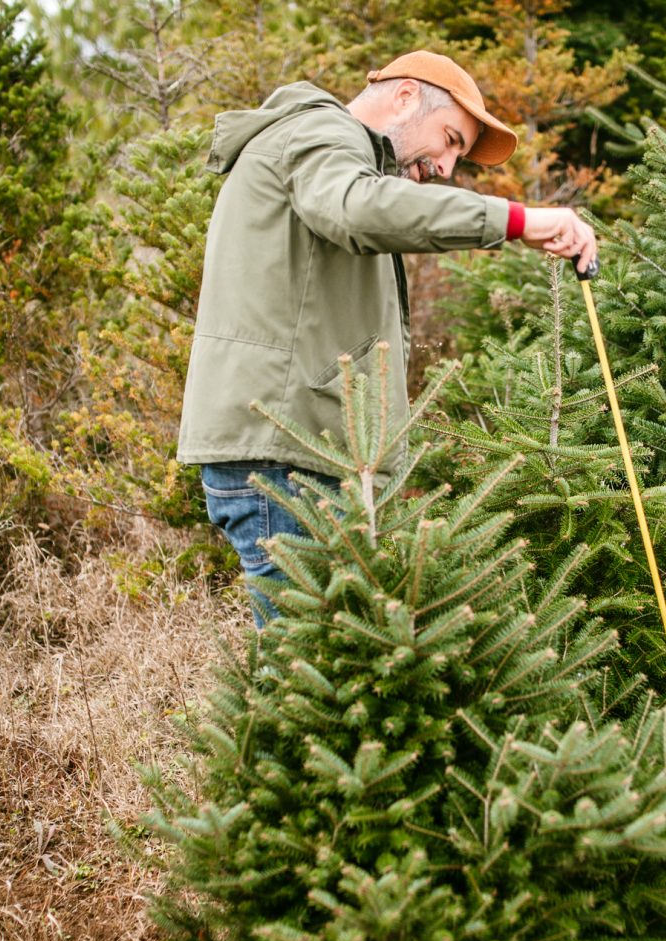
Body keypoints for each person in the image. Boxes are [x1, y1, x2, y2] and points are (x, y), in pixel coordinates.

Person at [177, 51, 597, 622]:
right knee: (299, 682)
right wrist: (516, 220)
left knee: (314, 677)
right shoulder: (322, 131)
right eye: (450, 139)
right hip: (286, 452)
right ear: (405, 97)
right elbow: (355, 210)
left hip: (299, 447)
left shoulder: (339, 154)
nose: (448, 166)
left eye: (458, 155)